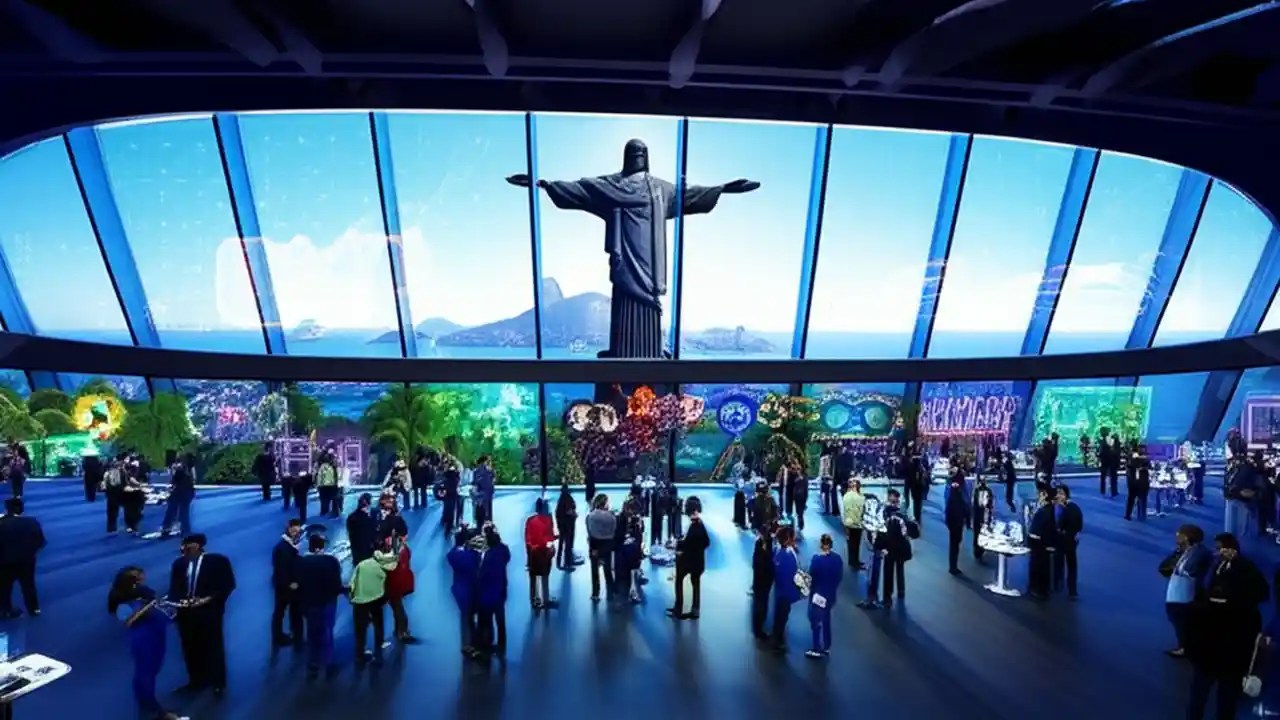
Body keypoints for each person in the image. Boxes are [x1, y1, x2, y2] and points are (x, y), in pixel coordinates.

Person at [506, 140, 758, 360]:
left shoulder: (661, 189)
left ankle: (650, 353)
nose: (637, 157)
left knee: (648, 304)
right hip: (624, 261)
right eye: (633, 152)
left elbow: (691, 196)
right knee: (625, 302)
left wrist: (723, 188)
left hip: (650, 264)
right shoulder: (611, 185)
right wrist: (541, 183)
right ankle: (621, 352)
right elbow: (579, 190)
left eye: (640, 153)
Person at [1185, 533, 1269, 720]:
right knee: (1202, 697)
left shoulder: (1244, 574)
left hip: (1228, 657)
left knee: (1223, 699)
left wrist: (1240, 564)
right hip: (1211, 654)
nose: (1218, 552)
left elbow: (1261, 591)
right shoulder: (1212, 571)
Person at [107, 567, 183, 720]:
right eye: (140, 578)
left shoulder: (142, 593)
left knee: (152, 671)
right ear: (132, 582)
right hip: (143, 639)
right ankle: (155, 710)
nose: (144, 580)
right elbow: (128, 621)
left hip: (155, 636)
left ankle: (146, 702)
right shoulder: (122, 600)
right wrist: (148, 605)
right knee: (145, 673)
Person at [167, 533, 236, 695]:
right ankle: (196, 680)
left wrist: (208, 599)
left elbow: (228, 584)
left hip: (209, 611)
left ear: (197, 545)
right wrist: (178, 601)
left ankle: (217, 682)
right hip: (185, 612)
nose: (184, 548)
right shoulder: (179, 564)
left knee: (213, 645)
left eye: (188, 545)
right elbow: (174, 587)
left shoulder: (218, 561)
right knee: (189, 647)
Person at [296, 533, 344, 678]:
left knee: (312, 634)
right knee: (327, 632)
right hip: (327, 602)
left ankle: (312, 664)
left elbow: (299, 584)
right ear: (322, 546)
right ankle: (329, 663)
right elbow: (336, 584)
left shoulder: (302, 562)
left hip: (310, 603)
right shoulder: (331, 561)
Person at [1159, 523, 1212, 658]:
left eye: (1179, 534)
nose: (1177, 536)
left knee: (1182, 620)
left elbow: (1189, 570)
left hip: (1186, 592)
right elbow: (1165, 568)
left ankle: (1186, 647)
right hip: (1177, 590)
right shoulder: (1184, 551)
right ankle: (1185, 645)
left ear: (1187, 537)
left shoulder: (1199, 552)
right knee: (1176, 617)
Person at [349, 540, 397, 667]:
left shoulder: (362, 564)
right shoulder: (387, 565)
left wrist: (352, 596)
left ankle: (360, 655)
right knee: (378, 622)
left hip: (360, 600)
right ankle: (379, 643)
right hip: (377, 598)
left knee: (360, 629)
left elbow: (352, 583)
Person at [0, 498, 45, 618]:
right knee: (28, 585)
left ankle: (6, 610)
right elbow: (40, 542)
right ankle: (34, 609)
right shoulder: (32, 522)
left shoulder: (2, 524)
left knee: (4, 586)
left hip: (5, 561)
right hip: (27, 560)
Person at [669, 497, 710, 620]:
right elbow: (705, 542)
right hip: (699, 562)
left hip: (690, 561)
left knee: (679, 580)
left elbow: (689, 543)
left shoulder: (694, 527)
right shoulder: (700, 524)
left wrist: (678, 545)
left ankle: (678, 608)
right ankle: (695, 609)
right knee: (695, 583)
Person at [876, 489, 917, 607]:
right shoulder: (902, 512)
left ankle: (887, 598)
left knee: (888, 571)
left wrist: (880, 545)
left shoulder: (886, 511)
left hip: (890, 545)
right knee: (899, 568)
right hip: (901, 546)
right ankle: (901, 591)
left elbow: (882, 528)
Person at [805, 533, 844, 659]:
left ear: (821, 544)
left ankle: (817, 648)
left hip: (818, 595)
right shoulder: (837, 559)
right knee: (826, 619)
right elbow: (839, 577)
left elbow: (812, 578)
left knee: (815, 621)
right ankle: (827, 646)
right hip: (830, 595)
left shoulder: (816, 560)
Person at [476, 525, 511, 658]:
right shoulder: (503, 551)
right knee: (500, 619)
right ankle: (502, 643)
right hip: (501, 589)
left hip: (489, 592)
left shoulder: (489, 557)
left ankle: (488, 643)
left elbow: (482, 575)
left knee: (488, 619)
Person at [448, 529, 483, 658]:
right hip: (469, 589)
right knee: (468, 618)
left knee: (466, 617)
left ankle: (468, 643)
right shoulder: (471, 556)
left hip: (460, 589)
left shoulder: (455, 555)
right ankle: (468, 644)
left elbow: (451, 555)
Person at [270, 519, 304, 647]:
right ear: (288, 528)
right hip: (285, 586)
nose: (295, 533)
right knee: (281, 611)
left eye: (297, 530)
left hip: (290, 584)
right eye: (293, 530)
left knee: (290, 611)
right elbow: (280, 568)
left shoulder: (291, 544)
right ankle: (279, 636)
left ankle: (292, 635)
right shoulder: (282, 548)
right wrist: (290, 583)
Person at [769, 526, 802, 653]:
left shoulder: (777, 551)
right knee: (782, 617)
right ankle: (776, 642)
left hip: (780, 591)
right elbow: (792, 574)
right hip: (786, 592)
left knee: (779, 615)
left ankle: (777, 636)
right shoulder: (787, 557)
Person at [383, 533, 417, 644]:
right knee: (397, 606)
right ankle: (399, 630)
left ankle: (403, 631)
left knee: (397, 607)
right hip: (402, 582)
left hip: (394, 584)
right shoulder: (405, 549)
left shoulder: (395, 556)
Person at [525, 498, 557, 610]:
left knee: (533, 577)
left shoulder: (530, 520)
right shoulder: (548, 520)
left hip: (533, 553)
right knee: (545, 576)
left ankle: (534, 599)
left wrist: (529, 554)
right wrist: (551, 548)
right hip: (544, 553)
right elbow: (550, 538)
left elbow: (527, 539)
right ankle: (545, 599)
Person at [1053, 485, 1084, 598]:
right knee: (1072, 565)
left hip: (1062, 540)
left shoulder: (1064, 510)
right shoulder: (1076, 508)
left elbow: (1059, 525)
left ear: (1065, 495)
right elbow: (1080, 525)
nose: (1057, 496)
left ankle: (1057, 585)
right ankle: (1072, 590)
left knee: (1059, 562)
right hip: (1072, 541)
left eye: (1060, 494)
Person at [586, 494, 617, 602]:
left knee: (594, 570)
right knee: (607, 570)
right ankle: (611, 590)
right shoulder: (612, 517)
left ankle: (595, 593)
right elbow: (614, 531)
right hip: (607, 545)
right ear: (605, 503)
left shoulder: (590, 516)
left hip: (595, 545)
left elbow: (590, 533)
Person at [1027, 489, 1056, 600]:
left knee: (1039, 566)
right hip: (1043, 543)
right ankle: (1039, 588)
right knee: (1041, 566)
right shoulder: (1046, 509)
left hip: (1040, 544)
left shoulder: (1045, 511)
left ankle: (1039, 589)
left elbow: (1041, 528)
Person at [161, 452, 196, 538]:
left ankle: (167, 528)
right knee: (182, 511)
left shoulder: (178, 467)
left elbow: (173, 479)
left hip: (179, 491)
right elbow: (194, 478)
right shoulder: (189, 467)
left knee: (172, 510)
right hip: (186, 490)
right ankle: (184, 529)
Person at [944, 467, 971, 576]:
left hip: (953, 519)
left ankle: (953, 565)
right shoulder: (959, 490)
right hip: (957, 519)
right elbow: (965, 504)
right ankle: (953, 566)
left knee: (954, 542)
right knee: (955, 542)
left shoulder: (951, 487)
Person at [750, 526, 775, 638]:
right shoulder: (765, 547)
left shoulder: (759, 546)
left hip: (761, 582)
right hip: (763, 581)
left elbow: (756, 564)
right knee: (761, 605)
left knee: (760, 605)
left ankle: (758, 627)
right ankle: (758, 629)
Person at [346, 493, 377, 566]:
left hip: (356, 552)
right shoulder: (370, 518)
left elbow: (349, 531)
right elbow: (374, 532)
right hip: (367, 553)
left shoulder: (351, 516)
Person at [841, 480, 866, 570]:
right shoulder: (859, 497)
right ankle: (855, 562)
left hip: (848, 523)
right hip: (856, 523)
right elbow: (861, 510)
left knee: (851, 543)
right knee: (856, 544)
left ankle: (852, 561)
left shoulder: (846, 496)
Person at [1124, 442, 1151, 521]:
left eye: (1143, 448)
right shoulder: (1133, 457)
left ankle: (1141, 515)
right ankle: (1128, 514)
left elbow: (1148, 467)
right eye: (1140, 448)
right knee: (1132, 499)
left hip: (1142, 483)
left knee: (1142, 499)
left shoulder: (1145, 458)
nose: (1142, 450)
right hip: (1134, 482)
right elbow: (1130, 465)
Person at [554, 482, 578, 570]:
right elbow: (569, 511)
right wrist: (574, 515)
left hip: (562, 525)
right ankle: (567, 563)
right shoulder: (567, 499)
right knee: (568, 544)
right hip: (567, 525)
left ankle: (559, 562)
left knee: (561, 544)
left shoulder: (560, 500)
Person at [971, 474, 994, 561]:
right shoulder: (984, 490)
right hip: (981, 515)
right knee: (980, 533)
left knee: (978, 533)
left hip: (980, 515)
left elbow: (974, 504)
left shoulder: (977, 490)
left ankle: (978, 549)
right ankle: (979, 549)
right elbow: (989, 504)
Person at [315, 449, 340, 518]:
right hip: (330, 485)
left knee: (325, 500)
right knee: (332, 499)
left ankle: (326, 512)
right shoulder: (331, 464)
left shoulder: (324, 465)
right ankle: (332, 513)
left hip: (325, 485)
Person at [105, 456, 126, 534]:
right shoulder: (121, 473)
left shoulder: (108, 473)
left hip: (110, 495)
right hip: (117, 494)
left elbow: (106, 485)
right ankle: (113, 527)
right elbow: (123, 484)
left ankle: (110, 527)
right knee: (115, 511)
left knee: (110, 512)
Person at [472, 456, 495, 526]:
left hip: (483, 496)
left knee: (483, 516)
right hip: (484, 496)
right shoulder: (488, 471)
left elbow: (475, 484)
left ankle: (484, 526)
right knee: (485, 516)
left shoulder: (488, 471)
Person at [1098, 429, 1119, 497]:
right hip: (1110, 460)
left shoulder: (1103, 441)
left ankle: (1104, 490)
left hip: (1107, 460)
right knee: (1112, 477)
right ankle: (1113, 491)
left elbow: (1101, 452)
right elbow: (1117, 451)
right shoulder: (1112, 440)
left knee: (1105, 476)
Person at [790, 464, 809, 533]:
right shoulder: (794, 477)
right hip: (796, 496)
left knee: (800, 512)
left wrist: (806, 497)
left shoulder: (804, 478)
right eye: (796, 469)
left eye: (798, 469)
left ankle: (801, 524)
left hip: (801, 496)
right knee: (798, 511)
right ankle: (800, 523)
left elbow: (806, 488)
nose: (797, 470)